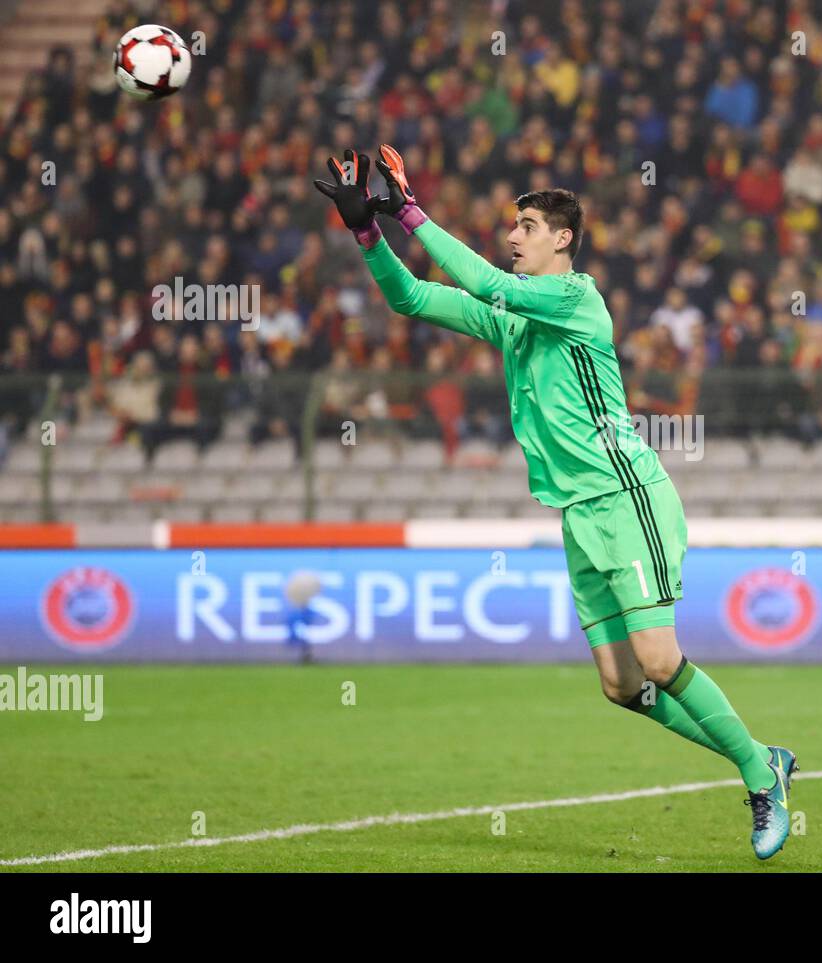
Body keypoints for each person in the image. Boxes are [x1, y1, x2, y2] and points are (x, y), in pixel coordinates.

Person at [315, 148, 797, 859]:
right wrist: (367, 233)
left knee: (660, 661)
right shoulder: (513, 321)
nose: (514, 236)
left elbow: (478, 278)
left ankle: (759, 775)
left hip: (625, 496)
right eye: (514, 224)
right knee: (621, 684)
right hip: (578, 513)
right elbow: (410, 298)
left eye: (529, 225)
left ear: (562, 239)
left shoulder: (577, 300)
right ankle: (763, 753)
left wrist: (411, 210)